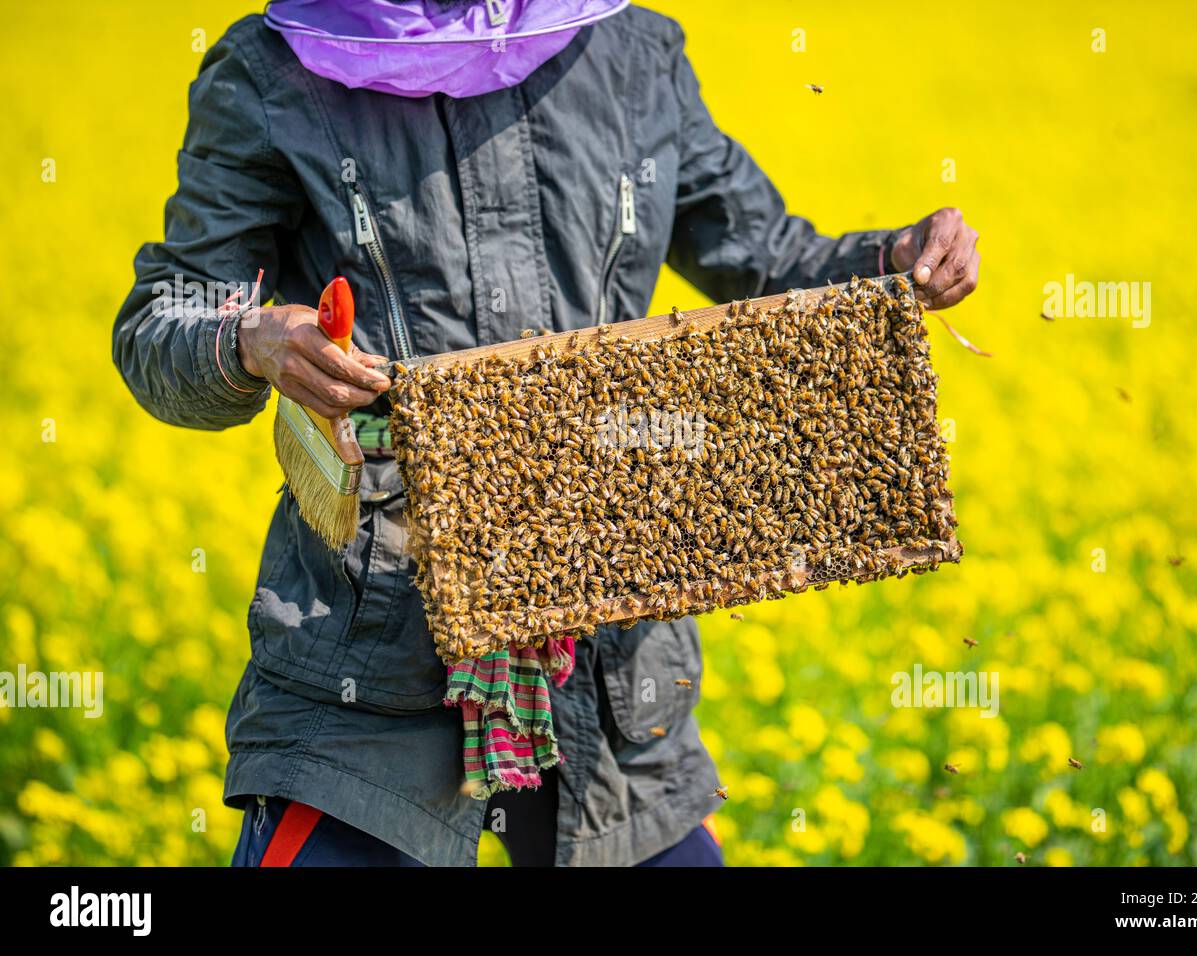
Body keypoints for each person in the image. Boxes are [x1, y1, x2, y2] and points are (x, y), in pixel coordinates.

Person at [113, 0, 980, 867]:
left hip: (611, 672)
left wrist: (891, 262)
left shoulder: (635, 49)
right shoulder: (272, 69)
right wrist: (250, 340)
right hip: (367, 680)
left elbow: (763, 256)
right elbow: (164, 319)